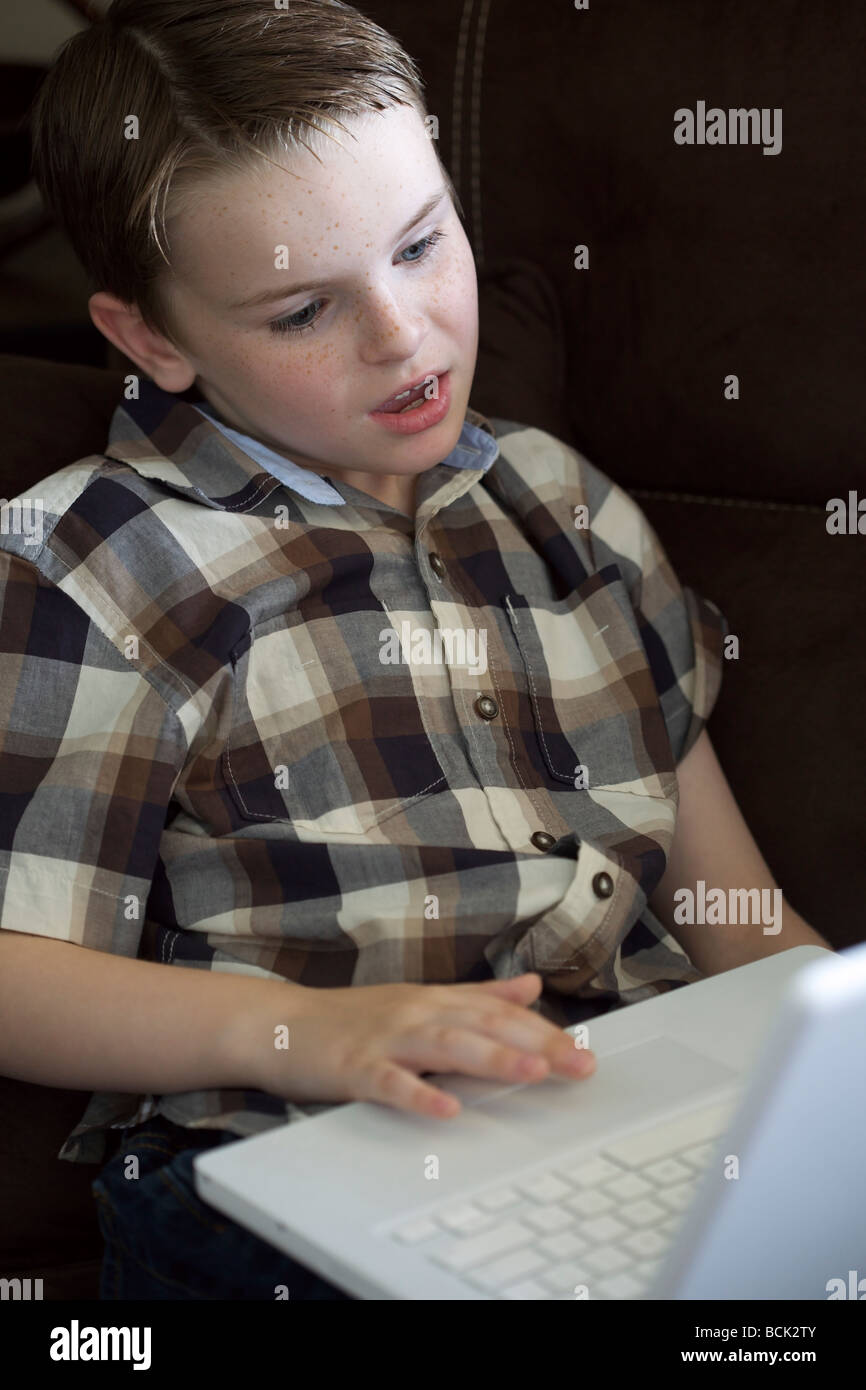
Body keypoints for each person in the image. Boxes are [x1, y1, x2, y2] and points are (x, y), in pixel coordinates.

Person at [0, 0, 831, 1301]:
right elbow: (16, 972)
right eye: (301, 312)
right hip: (292, 1159)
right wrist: (311, 1032)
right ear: (153, 340)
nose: (401, 334)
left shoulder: (566, 507)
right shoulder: (98, 562)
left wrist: (834, 1069)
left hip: (627, 1112)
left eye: (420, 244)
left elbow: (737, 915)